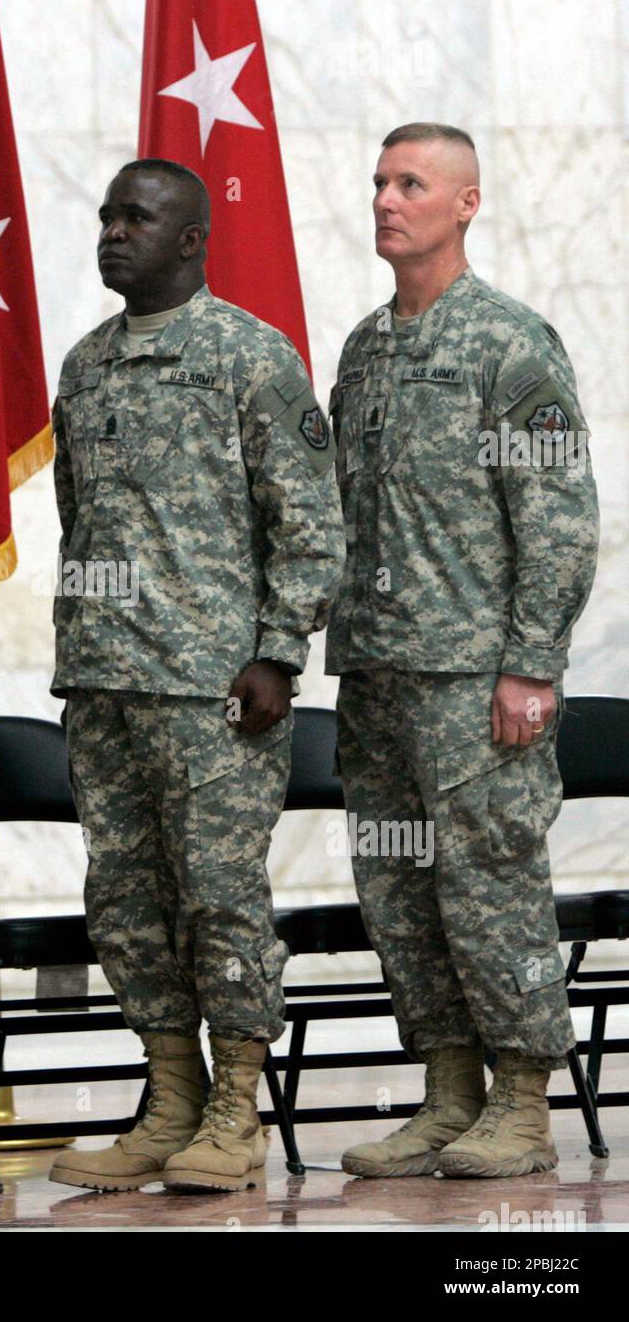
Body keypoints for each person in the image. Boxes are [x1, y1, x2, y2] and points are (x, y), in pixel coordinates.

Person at [47, 159, 344, 1193]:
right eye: (105, 215)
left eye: (138, 217)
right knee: (124, 900)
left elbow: (307, 522)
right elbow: (77, 511)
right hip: (101, 683)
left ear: (189, 239)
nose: (113, 231)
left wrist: (274, 649)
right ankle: (168, 1095)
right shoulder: (83, 366)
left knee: (218, 897)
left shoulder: (246, 356)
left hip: (213, 688)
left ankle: (233, 1110)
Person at [329, 123, 599, 1179]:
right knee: (397, 886)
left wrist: (529, 660)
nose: (387, 200)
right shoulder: (363, 347)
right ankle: (447, 1093)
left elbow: (558, 515)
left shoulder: (506, 341)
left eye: (410, 184)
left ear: (465, 203)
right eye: (379, 182)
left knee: (489, 881)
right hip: (377, 673)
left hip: (473, 676)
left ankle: (522, 1102)